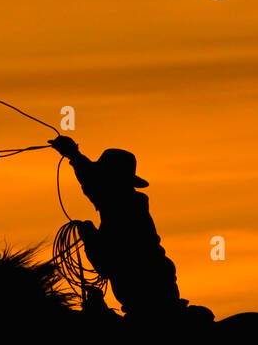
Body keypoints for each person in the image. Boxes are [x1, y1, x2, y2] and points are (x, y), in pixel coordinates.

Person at [48, 136, 190, 325]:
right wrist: (74, 155)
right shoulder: (127, 205)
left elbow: (107, 263)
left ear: (113, 182)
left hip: (147, 304)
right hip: (155, 295)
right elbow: (93, 182)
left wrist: (90, 237)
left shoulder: (122, 209)